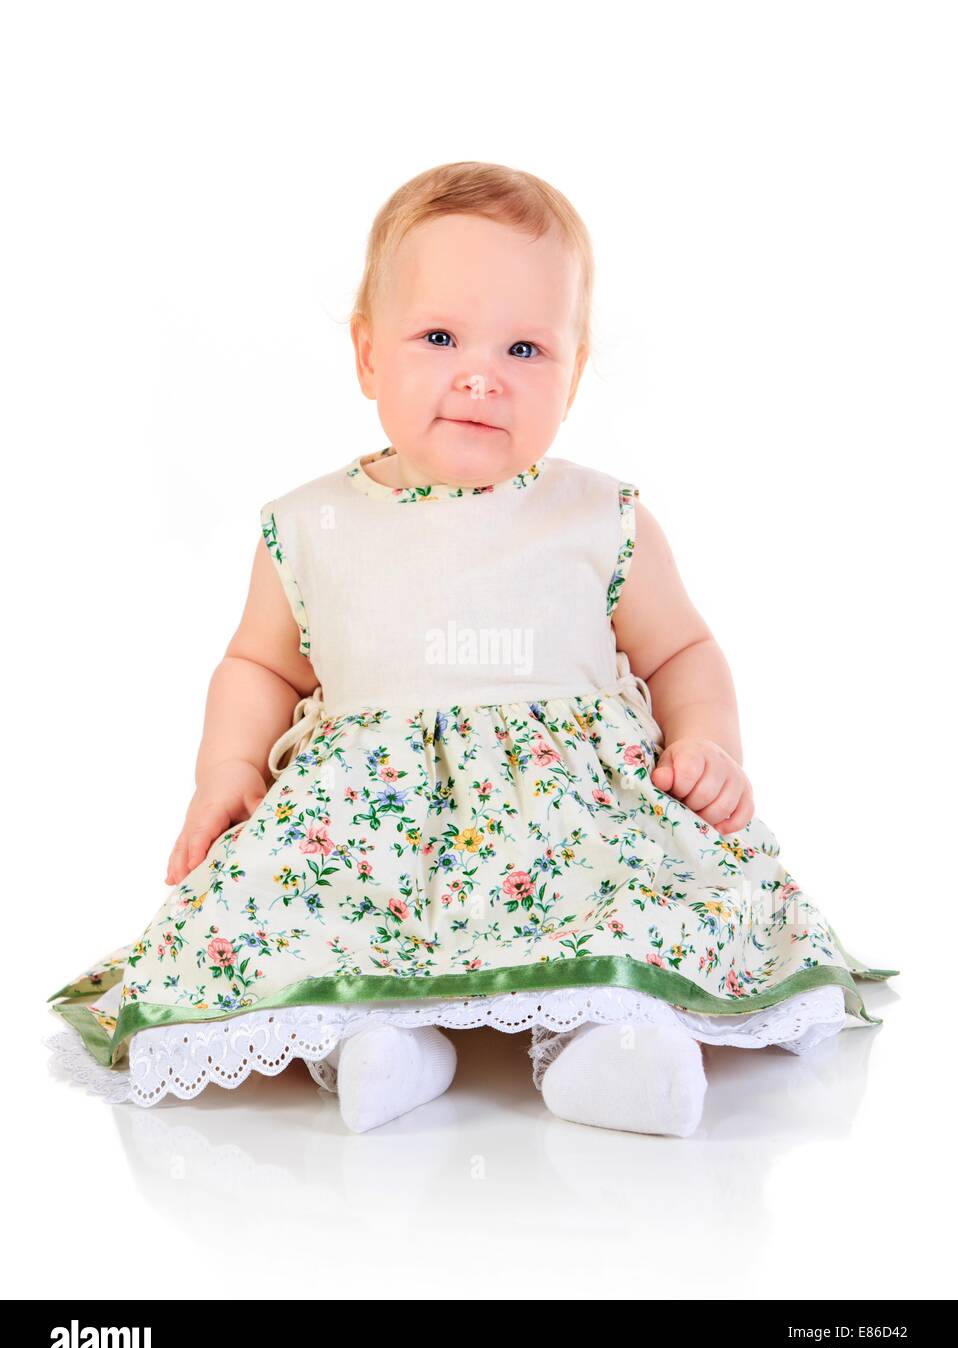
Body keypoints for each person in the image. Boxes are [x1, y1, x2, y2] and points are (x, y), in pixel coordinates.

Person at [45, 160, 897, 1136]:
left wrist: (707, 741)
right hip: (368, 836)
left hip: (570, 830)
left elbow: (681, 652)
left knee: (628, 907)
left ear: (573, 377)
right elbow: (261, 665)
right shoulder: (313, 524)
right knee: (298, 917)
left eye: (527, 347)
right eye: (439, 336)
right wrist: (227, 770)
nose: (480, 373)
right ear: (368, 356)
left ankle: (610, 1044)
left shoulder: (597, 518)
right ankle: (378, 1046)